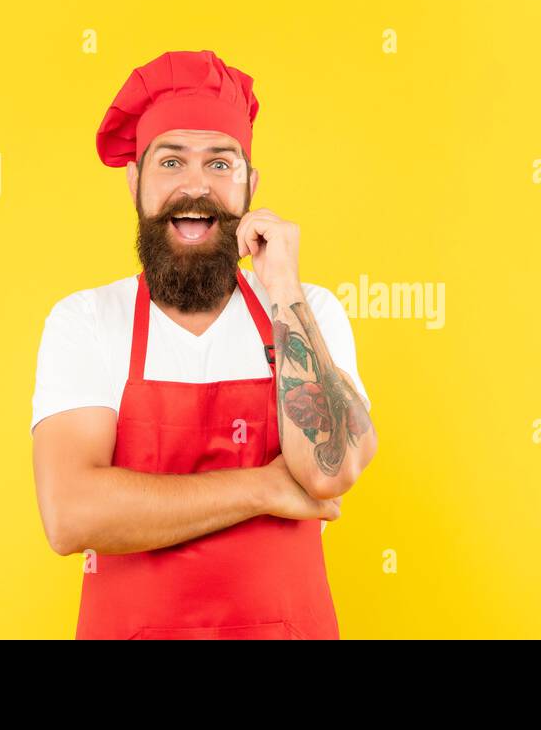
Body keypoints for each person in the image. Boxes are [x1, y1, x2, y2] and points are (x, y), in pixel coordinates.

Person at [30, 50, 377, 640]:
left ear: (251, 186)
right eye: (171, 161)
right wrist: (264, 487)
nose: (196, 186)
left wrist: (284, 287)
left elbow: (331, 470)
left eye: (220, 163)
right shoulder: (88, 320)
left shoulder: (308, 311)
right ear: (136, 182)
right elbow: (71, 514)